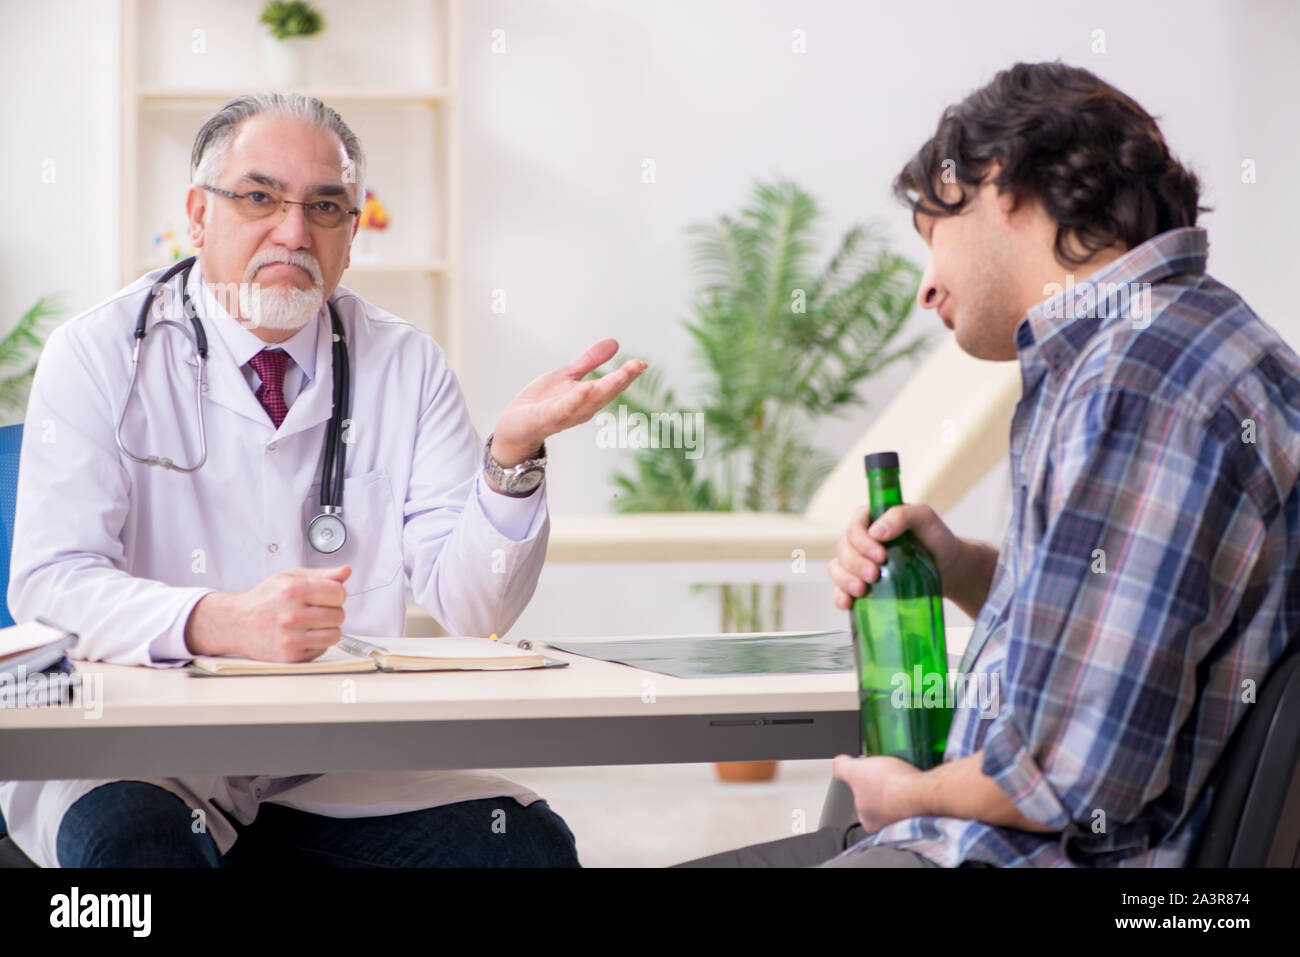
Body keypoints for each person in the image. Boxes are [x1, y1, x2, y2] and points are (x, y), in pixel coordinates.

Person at [677, 60, 1300, 868]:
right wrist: (965, 568)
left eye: (931, 235)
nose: (925, 290)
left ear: (998, 182)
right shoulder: (1200, 341)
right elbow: (1135, 631)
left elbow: (1068, 782)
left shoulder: (1136, 384)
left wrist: (907, 793)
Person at [0, 92, 645, 868]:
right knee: (139, 853)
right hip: (144, 756)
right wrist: (216, 620)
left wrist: (510, 458)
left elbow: (472, 607)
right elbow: (50, 582)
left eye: (326, 206)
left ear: (350, 235)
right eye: (259, 196)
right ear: (198, 215)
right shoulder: (100, 353)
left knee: (524, 852)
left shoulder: (405, 364)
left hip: (333, 761)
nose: (293, 230)